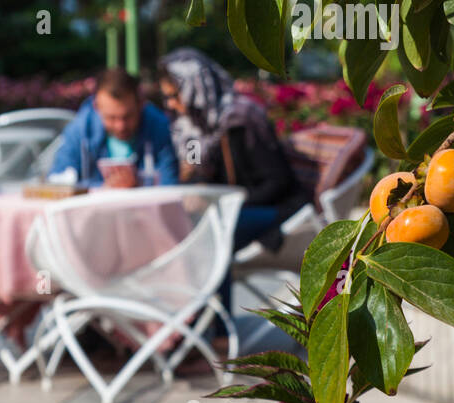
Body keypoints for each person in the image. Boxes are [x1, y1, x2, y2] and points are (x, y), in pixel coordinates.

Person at [157, 48, 311, 308]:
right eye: (166, 97)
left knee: (212, 230)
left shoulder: (241, 118)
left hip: (273, 210)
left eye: (174, 95)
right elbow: (194, 172)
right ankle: (189, 322)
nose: (169, 104)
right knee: (185, 226)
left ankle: (218, 330)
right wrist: (194, 183)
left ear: (195, 87)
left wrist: (224, 203)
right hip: (229, 210)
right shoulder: (192, 127)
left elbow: (277, 182)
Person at [48, 67, 180, 187]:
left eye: (127, 116)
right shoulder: (79, 129)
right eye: (111, 118)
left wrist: (137, 186)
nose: (120, 126)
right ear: (96, 107)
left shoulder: (160, 125)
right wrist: (103, 189)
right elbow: (57, 182)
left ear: (141, 105)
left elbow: (170, 183)